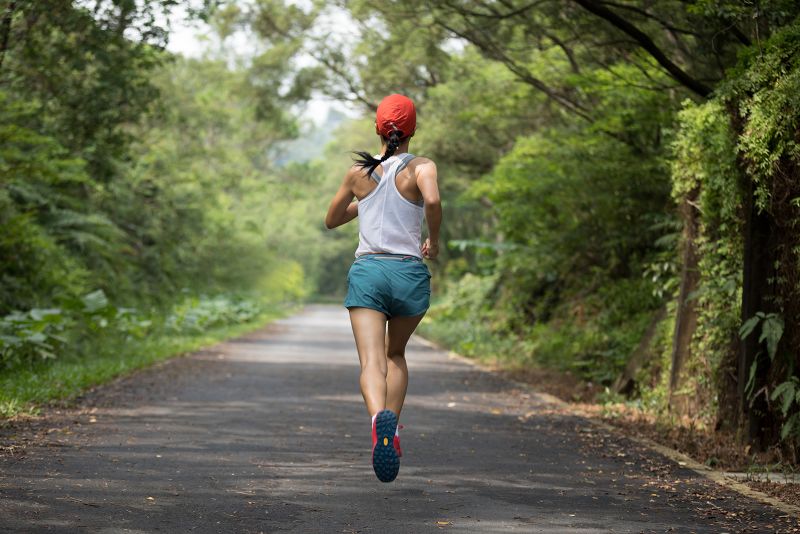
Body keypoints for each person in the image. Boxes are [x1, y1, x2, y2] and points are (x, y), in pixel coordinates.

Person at [325, 94, 441, 483]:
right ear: (413, 130)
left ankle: (379, 421)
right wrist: (434, 240)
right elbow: (433, 200)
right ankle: (393, 427)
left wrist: (366, 201)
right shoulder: (422, 166)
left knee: (371, 362)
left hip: (369, 273)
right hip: (408, 273)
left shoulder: (358, 172)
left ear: (378, 129)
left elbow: (332, 219)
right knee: (396, 355)